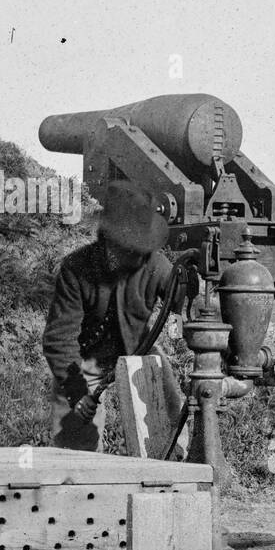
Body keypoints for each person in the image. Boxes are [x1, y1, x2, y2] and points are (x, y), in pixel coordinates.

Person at [43, 179, 184, 451]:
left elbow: (183, 305)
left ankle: (171, 465)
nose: (139, 255)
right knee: (76, 449)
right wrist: (78, 393)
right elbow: (59, 338)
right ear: (111, 240)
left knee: (170, 426)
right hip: (85, 360)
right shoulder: (76, 268)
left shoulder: (156, 264)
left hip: (139, 351)